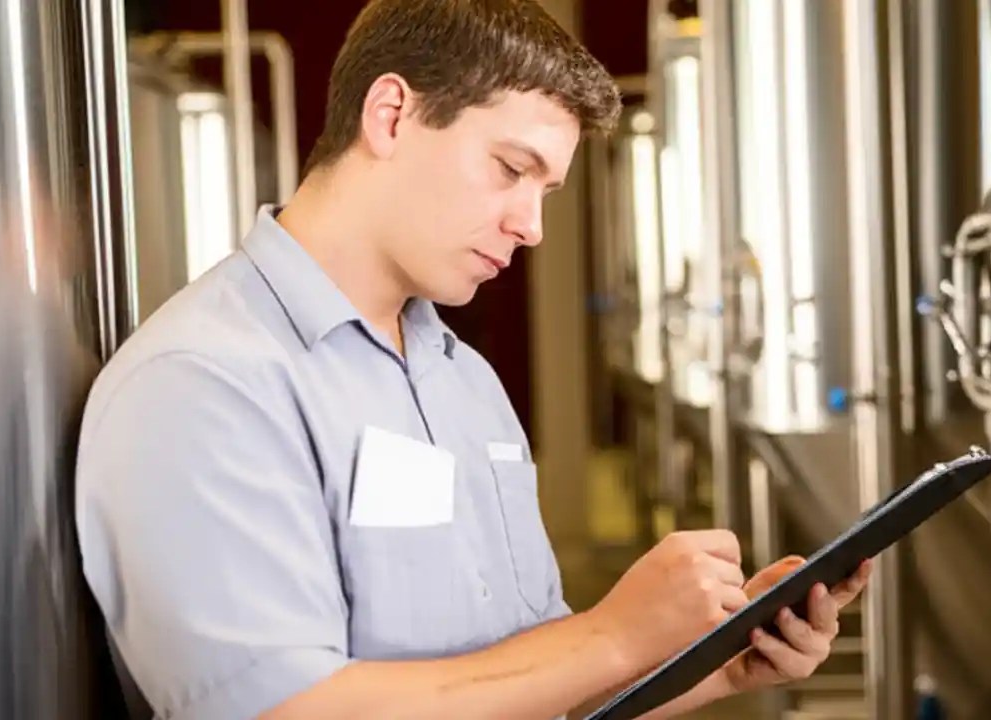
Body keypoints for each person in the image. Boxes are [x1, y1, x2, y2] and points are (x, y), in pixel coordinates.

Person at [74, 1, 872, 718]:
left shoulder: (462, 379)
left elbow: (537, 678)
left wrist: (719, 658)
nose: (532, 227)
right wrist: (613, 634)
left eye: (546, 190)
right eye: (511, 169)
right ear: (391, 115)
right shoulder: (200, 383)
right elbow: (281, 710)